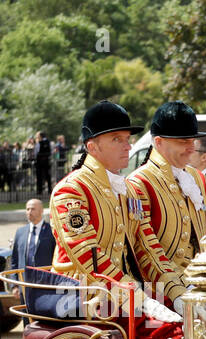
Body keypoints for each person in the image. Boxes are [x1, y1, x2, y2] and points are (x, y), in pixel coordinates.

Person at [127, 101, 206, 309]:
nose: (191, 147)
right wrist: (178, 292)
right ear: (158, 142)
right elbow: (147, 248)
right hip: (162, 293)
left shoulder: (199, 179)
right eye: (183, 141)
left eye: (193, 140)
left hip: (202, 283)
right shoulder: (139, 183)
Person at [48, 101, 145, 286]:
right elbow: (86, 254)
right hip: (82, 300)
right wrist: (137, 297)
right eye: (117, 139)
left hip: (128, 294)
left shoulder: (129, 189)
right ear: (92, 147)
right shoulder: (71, 190)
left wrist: (174, 289)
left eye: (127, 138)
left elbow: (146, 246)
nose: (128, 147)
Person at [9, 198, 56, 275]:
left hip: (45, 281)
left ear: (41, 211)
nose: (29, 212)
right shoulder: (20, 232)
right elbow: (15, 259)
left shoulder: (51, 231)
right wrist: (14, 285)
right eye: (27, 209)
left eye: (33, 209)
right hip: (24, 281)